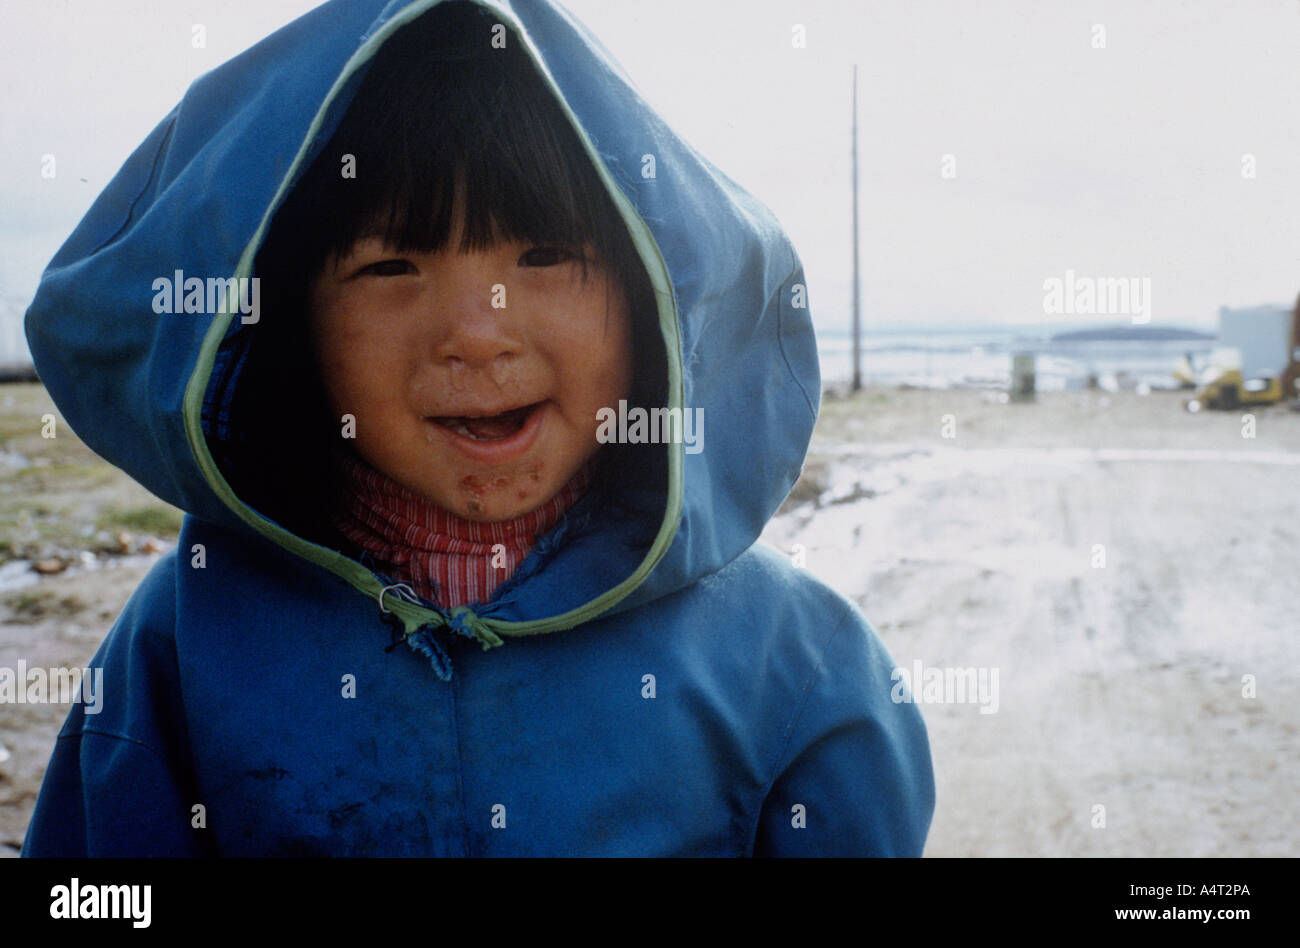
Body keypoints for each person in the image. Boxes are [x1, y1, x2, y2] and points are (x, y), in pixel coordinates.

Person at [22, 0, 934, 856]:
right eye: (391, 266)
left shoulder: (795, 661)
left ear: (649, 299)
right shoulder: (185, 634)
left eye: (544, 255)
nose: (478, 333)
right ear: (291, 322)